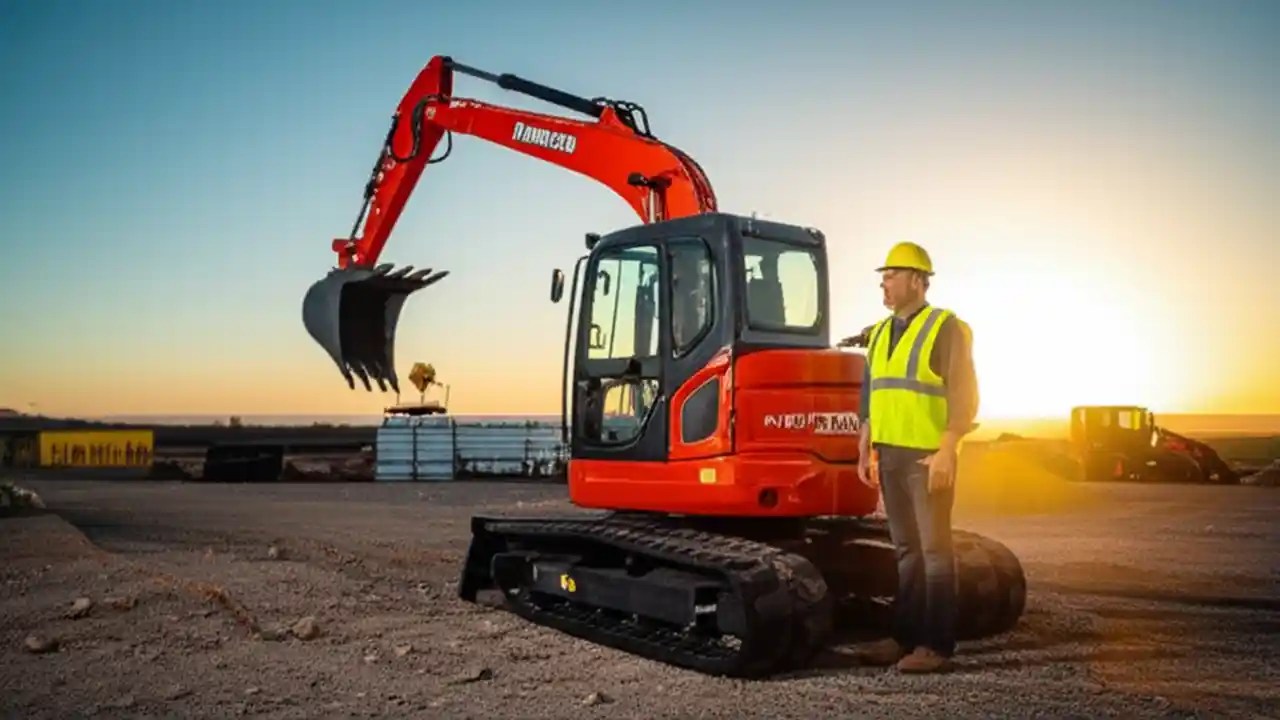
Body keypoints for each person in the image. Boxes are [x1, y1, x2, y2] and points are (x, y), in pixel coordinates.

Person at [854, 241, 979, 674]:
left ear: (917, 280)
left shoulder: (945, 327)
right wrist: (866, 445)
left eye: (891, 275)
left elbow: (963, 394)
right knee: (906, 551)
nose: (883, 284)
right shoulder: (881, 333)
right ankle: (903, 637)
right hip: (889, 454)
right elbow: (873, 392)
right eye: (883, 277)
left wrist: (948, 448)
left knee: (935, 552)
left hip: (927, 458)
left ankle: (936, 645)